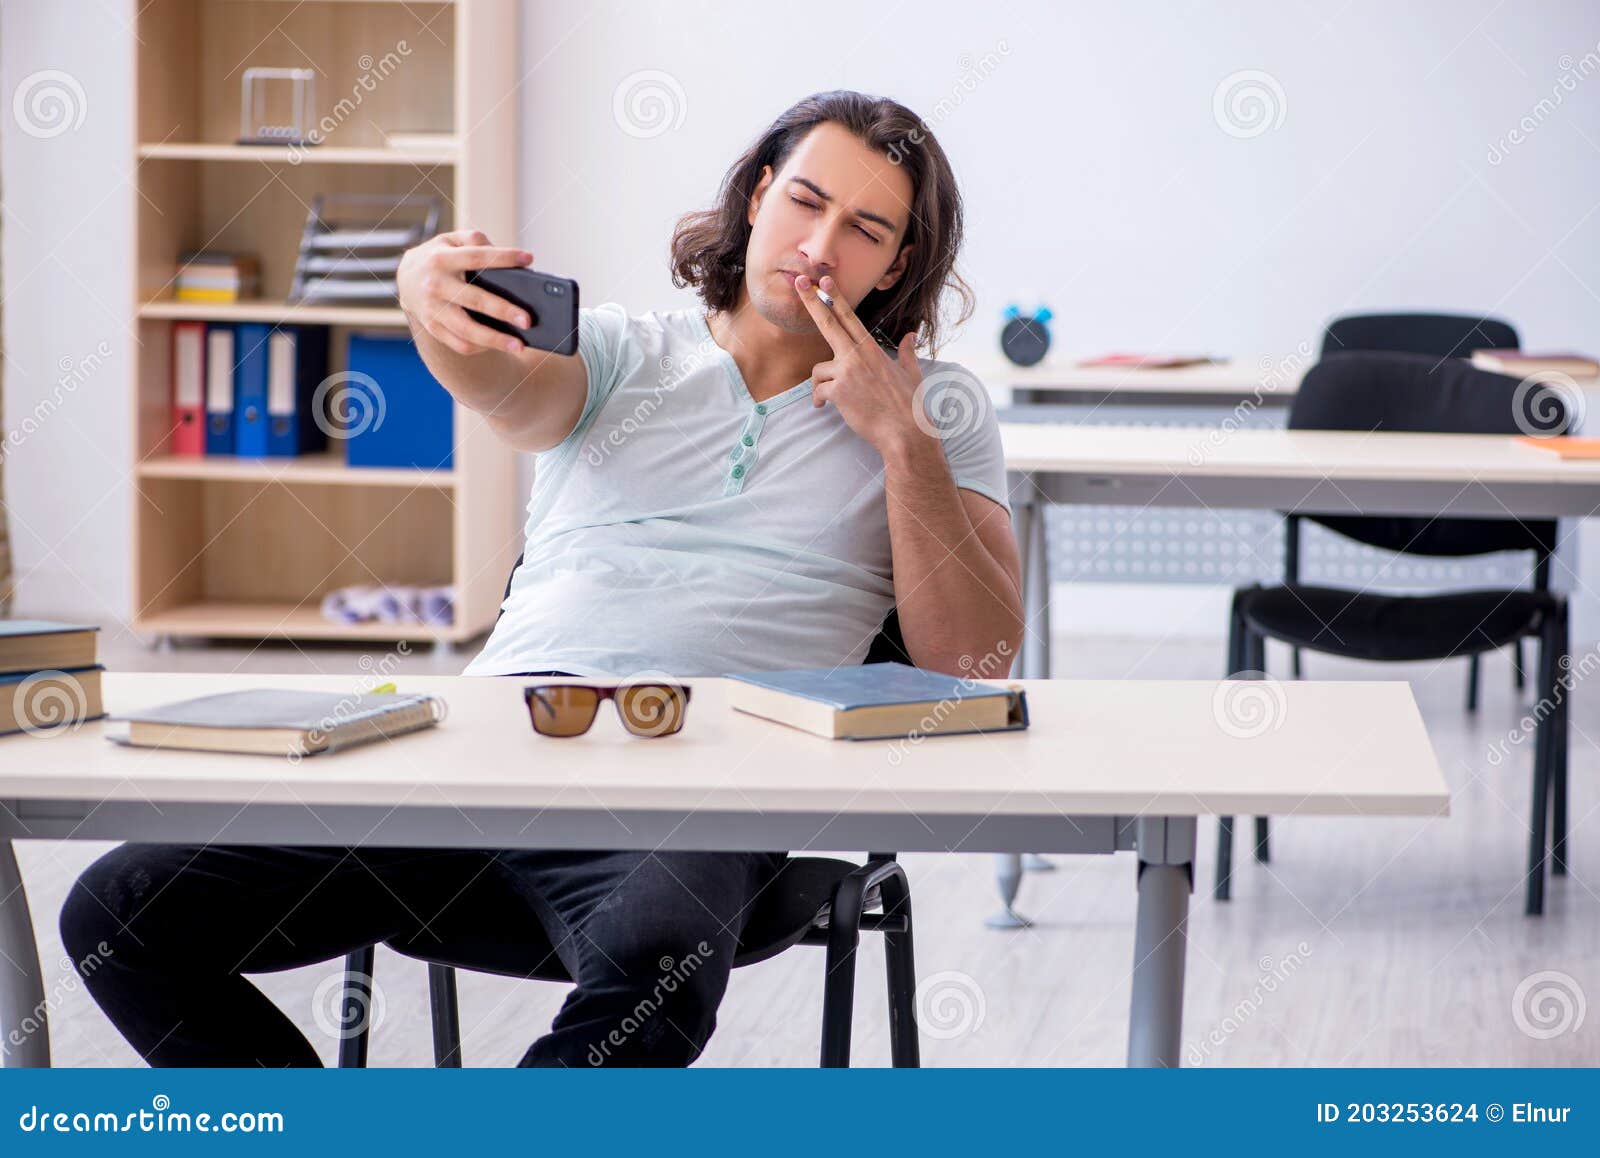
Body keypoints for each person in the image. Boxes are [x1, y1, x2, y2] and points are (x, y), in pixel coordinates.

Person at [62, 90, 1023, 1067]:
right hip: (485, 749)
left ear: (897, 263)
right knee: (123, 913)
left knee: (656, 961)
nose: (820, 245)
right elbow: (505, 389)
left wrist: (902, 445)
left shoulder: (934, 407)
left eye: (864, 229)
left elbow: (974, 658)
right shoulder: (617, 350)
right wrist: (425, 300)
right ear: (757, 194)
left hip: (695, 780)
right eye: (805, 202)